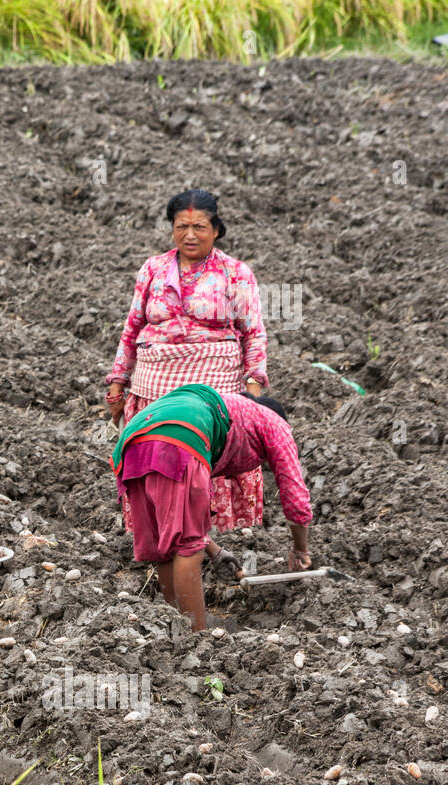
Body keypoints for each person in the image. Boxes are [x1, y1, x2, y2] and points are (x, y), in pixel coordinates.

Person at [104, 189, 268, 572]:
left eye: (199, 227)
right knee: (158, 469)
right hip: (153, 387)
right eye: (181, 226)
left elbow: (253, 332)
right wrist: (117, 383)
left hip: (212, 390)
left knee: (196, 474)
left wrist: (253, 391)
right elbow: (132, 328)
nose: (190, 234)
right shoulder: (153, 269)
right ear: (172, 229)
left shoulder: (235, 273)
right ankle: (179, 548)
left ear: (216, 229)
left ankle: (193, 546)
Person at [111, 384, 313, 630]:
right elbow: (296, 495)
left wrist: (215, 551)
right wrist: (301, 551)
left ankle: (174, 624)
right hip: (181, 437)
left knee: (164, 544)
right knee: (187, 547)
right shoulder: (275, 423)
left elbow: (178, 515)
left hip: (133, 439)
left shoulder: (230, 407)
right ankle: (197, 637)